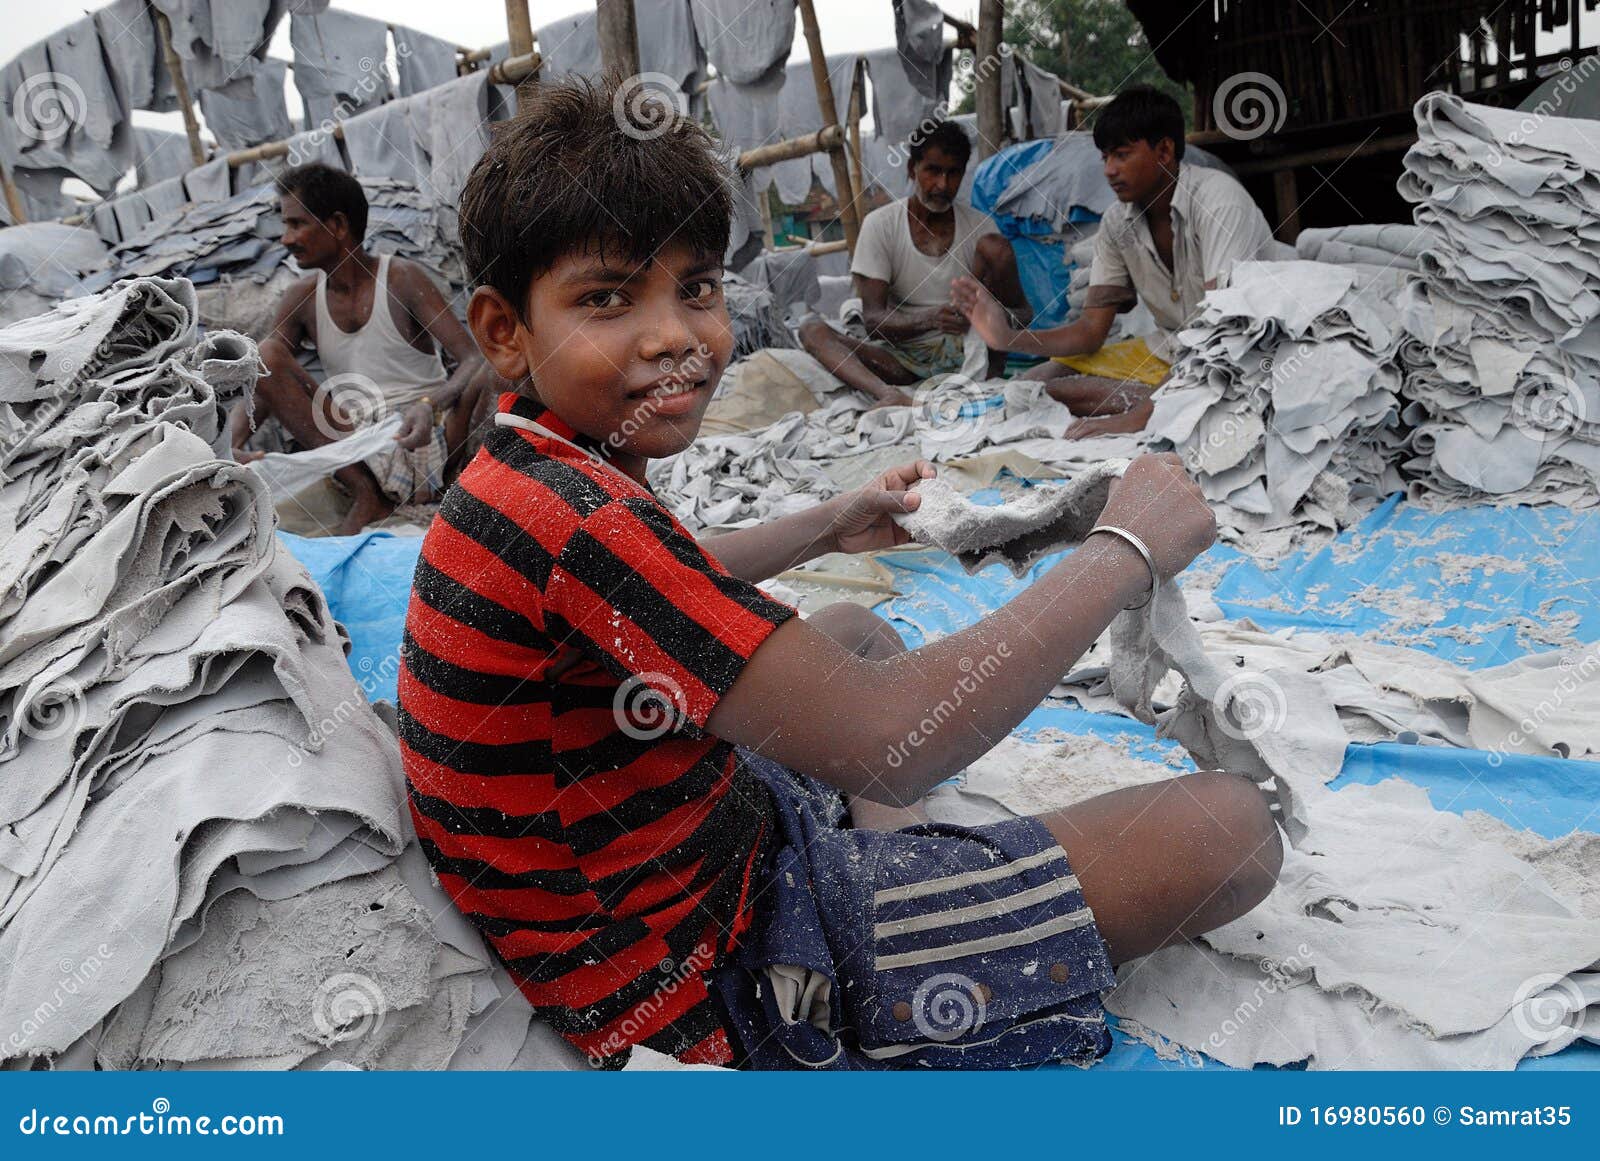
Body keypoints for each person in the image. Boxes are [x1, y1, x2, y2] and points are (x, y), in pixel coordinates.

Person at [397, 77, 1281, 1071]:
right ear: (504, 330)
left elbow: (654, 584)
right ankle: (889, 922)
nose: (672, 336)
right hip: (715, 979)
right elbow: (887, 743)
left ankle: (891, 873)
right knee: (1227, 830)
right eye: (607, 298)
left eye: (693, 289)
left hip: (678, 845)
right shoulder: (578, 516)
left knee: (856, 635)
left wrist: (827, 523)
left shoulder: (525, 468)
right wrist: (1121, 549)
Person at [953, 86, 1274, 436]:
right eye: (1105, 157)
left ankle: (1157, 408)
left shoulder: (1219, 201)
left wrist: (1127, 421)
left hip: (1235, 352)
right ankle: (1161, 404)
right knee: (1031, 386)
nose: (1108, 170)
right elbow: (1090, 333)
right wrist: (1007, 338)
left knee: (1203, 393)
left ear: (1164, 151)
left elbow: (1221, 333)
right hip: (1171, 348)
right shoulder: (1118, 223)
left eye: (1121, 155)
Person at [231, 163, 487, 534]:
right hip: (354, 443)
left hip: (420, 431)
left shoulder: (402, 278)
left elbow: (473, 359)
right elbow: (266, 375)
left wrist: (429, 404)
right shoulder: (301, 296)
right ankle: (367, 493)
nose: (286, 239)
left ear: (337, 225)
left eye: (296, 224)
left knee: (490, 375)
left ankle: (428, 487)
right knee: (267, 353)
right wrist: (233, 443)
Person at [797, 119, 1031, 407]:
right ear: (912, 170)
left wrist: (984, 317)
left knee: (996, 248)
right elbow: (873, 321)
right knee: (810, 328)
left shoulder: (981, 228)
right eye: (933, 171)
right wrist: (931, 319)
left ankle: (978, 383)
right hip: (901, 360)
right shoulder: (880, 225)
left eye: (953, 173)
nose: (942, 185)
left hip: (970, 356)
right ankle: (887, 394)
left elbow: (1024, 316)